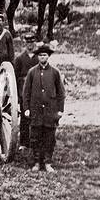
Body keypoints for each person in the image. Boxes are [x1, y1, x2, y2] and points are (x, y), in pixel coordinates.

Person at [23, 43, 65, 173]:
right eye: (40, 55)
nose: (42, 57)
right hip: (35, 110)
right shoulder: (32, 72)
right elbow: (26, 93)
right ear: (37, 57)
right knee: (35, 137)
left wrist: (60, 110)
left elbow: (61, 93)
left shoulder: (55, 72)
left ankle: (47, 162)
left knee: (49, 138)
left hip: (50, 111)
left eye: (45, 55)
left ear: (48, 57)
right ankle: (36, 162)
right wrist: (26, 108)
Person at [12, 42, 35, 158]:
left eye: (32, 42)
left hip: (36, 91)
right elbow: (14, 77)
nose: (30, 45)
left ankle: (36, 142)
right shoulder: (20, 59)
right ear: (25, 44)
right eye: (28, 42)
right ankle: (24, 143)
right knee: (25, 118)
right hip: (23, 91)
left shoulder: (38, 58)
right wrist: (17, 94)